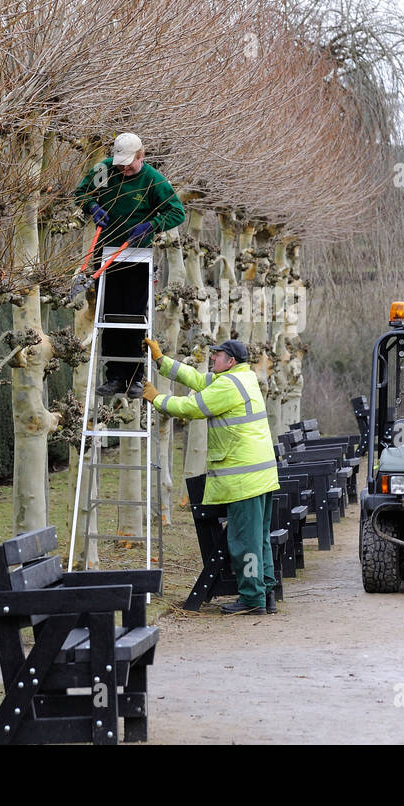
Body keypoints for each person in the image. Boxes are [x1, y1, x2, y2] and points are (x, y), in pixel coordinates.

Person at [141, 337, 280, 615]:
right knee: (259, 538)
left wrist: (158, 399)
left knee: (245, 542)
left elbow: (193, 408)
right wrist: (161, 361)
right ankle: (266, 593)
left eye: (217, 355)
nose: (212, 358)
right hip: (260, 477)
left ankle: (253, 600)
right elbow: (195, 378)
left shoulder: (228, 386)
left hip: (245, 481)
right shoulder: (243, 378)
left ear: (230, 361)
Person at [73, 132, 185, 398]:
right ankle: (113, 376)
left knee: (134, 316)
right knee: (110, 314)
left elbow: (176, 212)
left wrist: (152, 225)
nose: (124, 168)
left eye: (129, 163)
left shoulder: (153, 181)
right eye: (120, 162)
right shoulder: (104, 169)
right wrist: (92, 207)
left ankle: (135, 377)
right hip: (107, 251)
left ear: (141, 156)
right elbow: (82, 193)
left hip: (138, 255)